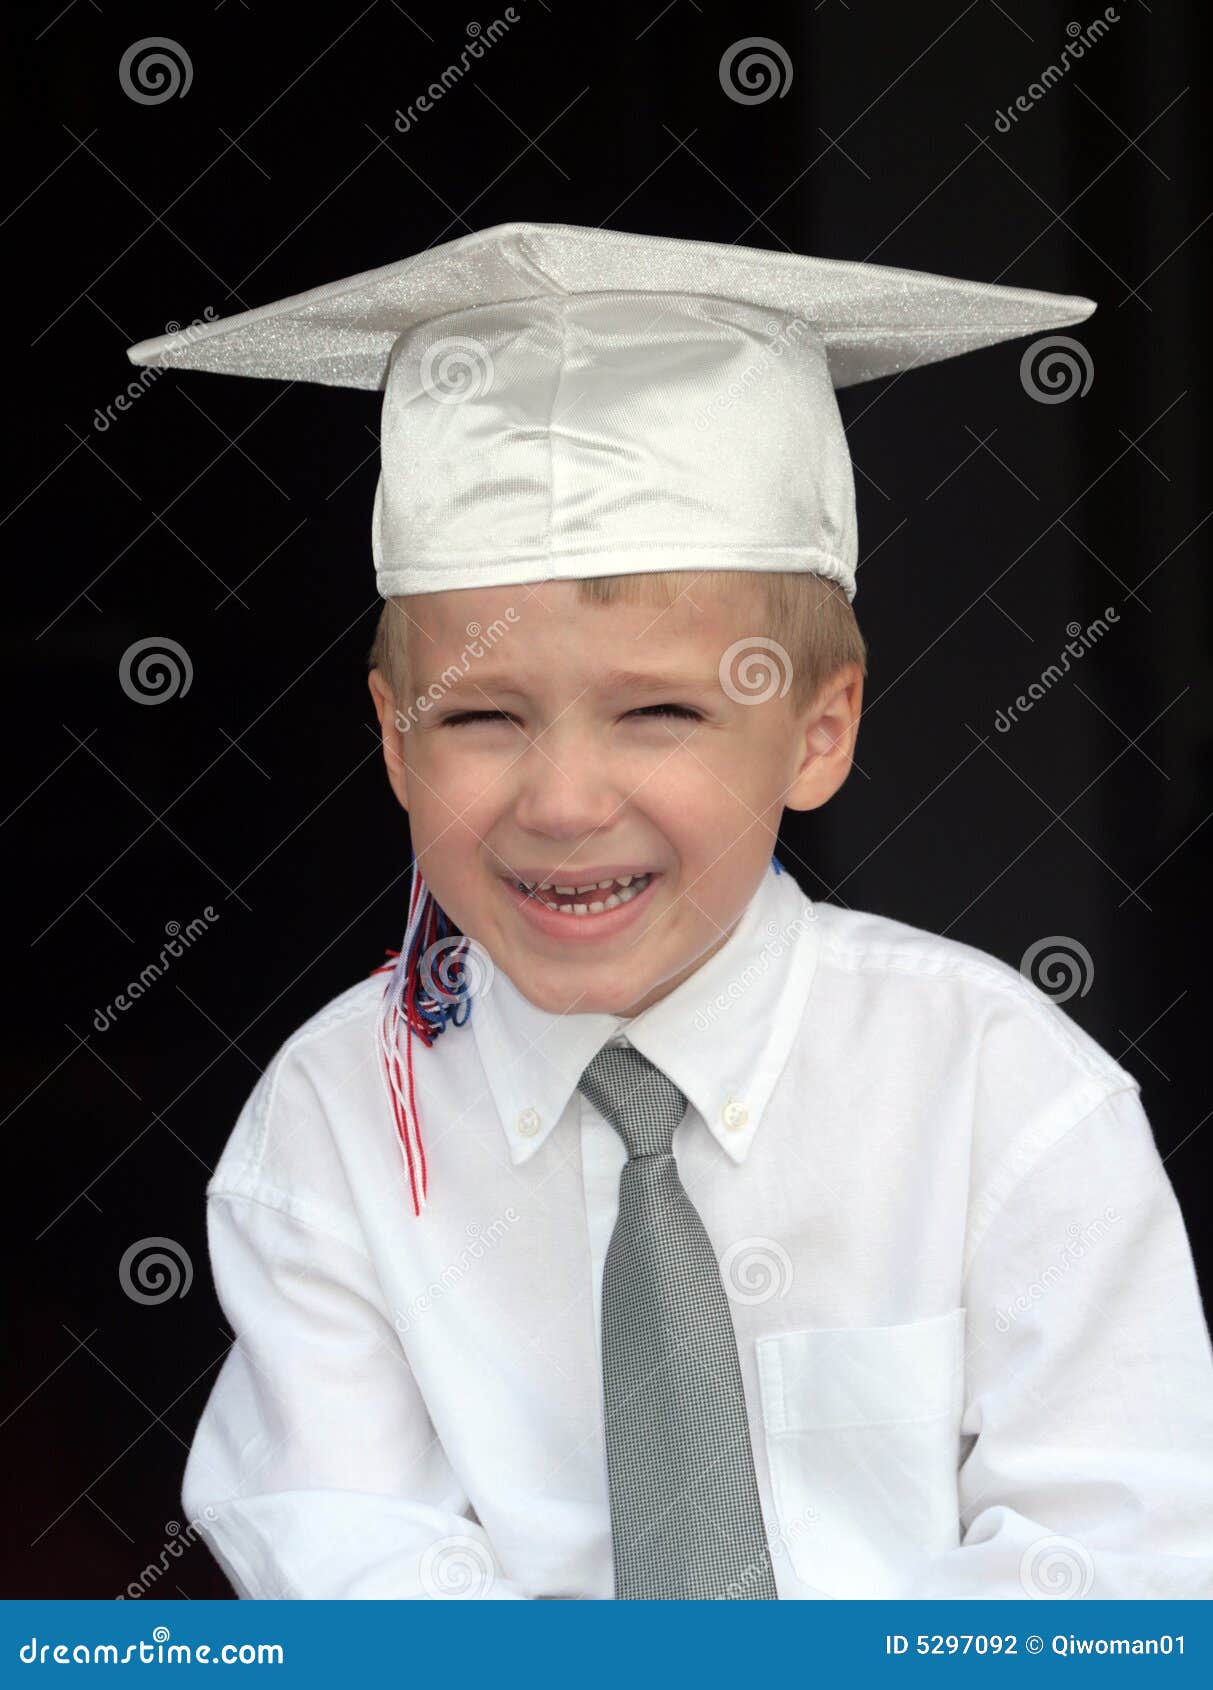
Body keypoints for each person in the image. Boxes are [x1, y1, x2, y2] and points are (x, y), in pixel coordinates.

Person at [126, 222, 1213, 1600]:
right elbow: (354, 1567)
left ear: (817, 733)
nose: (565, 798)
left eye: (659, 711)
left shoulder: (1001, 1092)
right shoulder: (338, 1127)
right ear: (394, 742)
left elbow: (1121, 1558)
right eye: (480, 715)